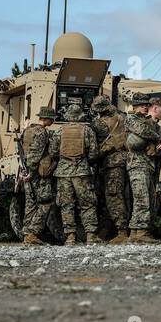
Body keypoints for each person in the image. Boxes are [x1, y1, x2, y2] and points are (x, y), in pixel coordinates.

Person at [51, 103, 101, 246]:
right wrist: (86, 162)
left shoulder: (60, 131)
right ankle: (91, 236)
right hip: (82, 172)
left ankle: (70, 237)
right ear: (80, 116)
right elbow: (94, 153)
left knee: (66, 205)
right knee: (87, 204)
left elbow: (53, 152)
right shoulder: (88, 131)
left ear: (67, 116)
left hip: (63, 174)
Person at [124, 92, 161, 242]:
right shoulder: (131, 119)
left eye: (147, 105)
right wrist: (158, 138)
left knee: (145, 197)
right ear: (136, 106)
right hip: (137, 163)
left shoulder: (145, 121)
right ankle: (141, 232)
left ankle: (137, 232)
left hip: (146, 164)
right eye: (143, 105)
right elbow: (142, 131)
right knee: (142, 197)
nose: (146, 108)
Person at [90, 94, 129, 243]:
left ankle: (122, 232)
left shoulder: (98, 123)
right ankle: (108, 230)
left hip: (111, 163)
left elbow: (94, 147)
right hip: (126, 161)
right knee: (123, 196)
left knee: (113, 196)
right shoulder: (122, 118)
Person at [20, 106, 58, 246]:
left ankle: (26, 234)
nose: (53, 121)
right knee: (46, 203)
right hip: (37, 174)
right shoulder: (41, 133)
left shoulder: (28, 130)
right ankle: (33, 233)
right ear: (46, 118)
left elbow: (25, 152)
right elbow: (35, 155)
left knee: (30, 204)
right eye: (52, 118)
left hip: (28, 172)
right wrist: (31, 172)